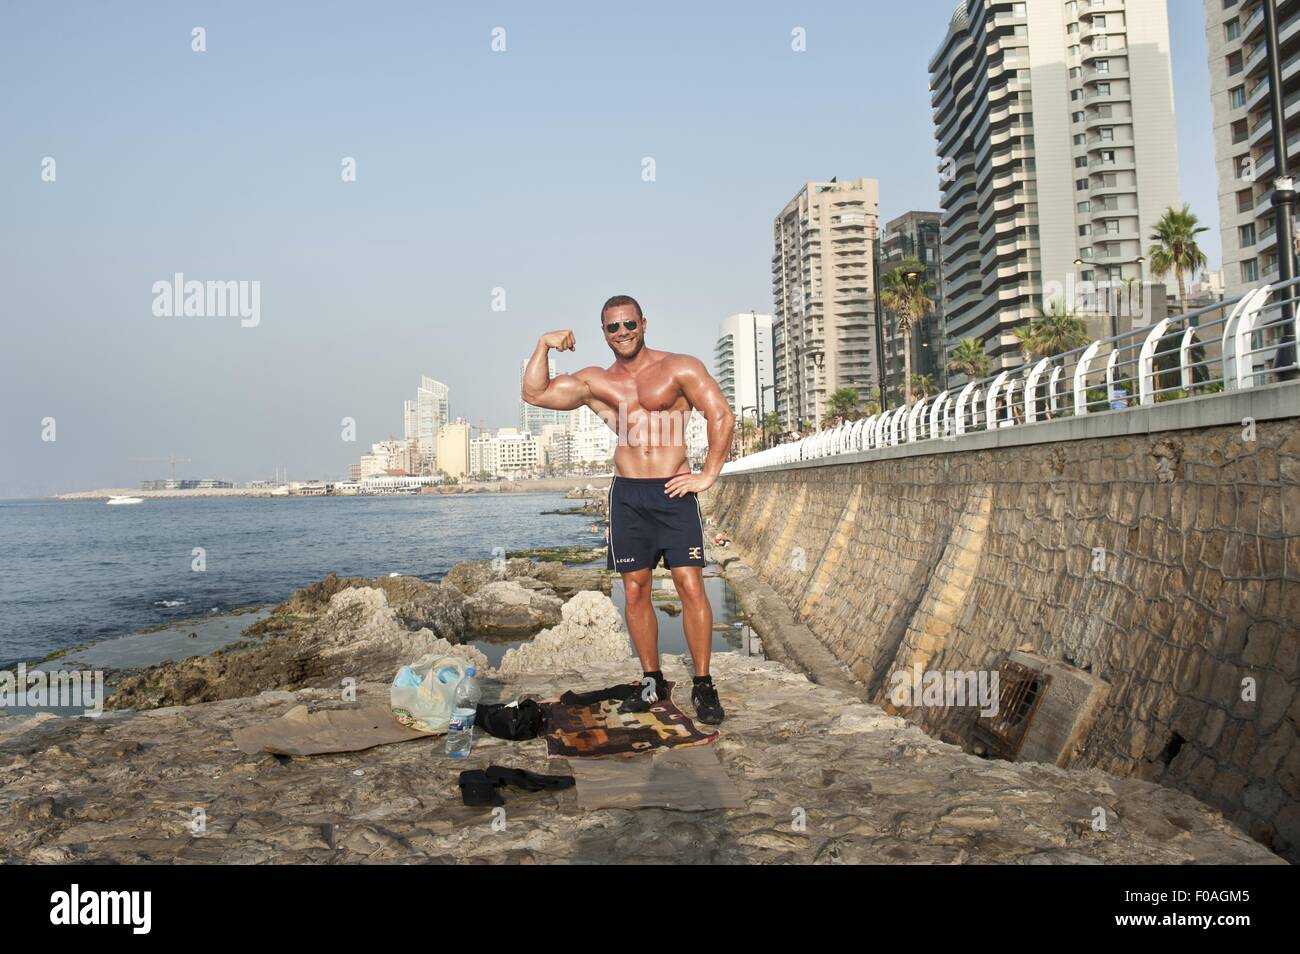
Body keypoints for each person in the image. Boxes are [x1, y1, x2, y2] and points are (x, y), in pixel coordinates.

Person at [521, 294, 735, 723]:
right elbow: (535, 393)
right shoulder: (597, 381)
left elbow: (721, 416)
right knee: (635, 590)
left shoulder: (680, 367)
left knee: (690, 586)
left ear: (643, 323)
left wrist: (708, 474)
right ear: (604, 333)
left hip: (674, 492)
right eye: (613, 327)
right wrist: (544, 344)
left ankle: (704, 684)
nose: (622, 333)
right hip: (628, 497)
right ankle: (651, 680)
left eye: (629, 324)